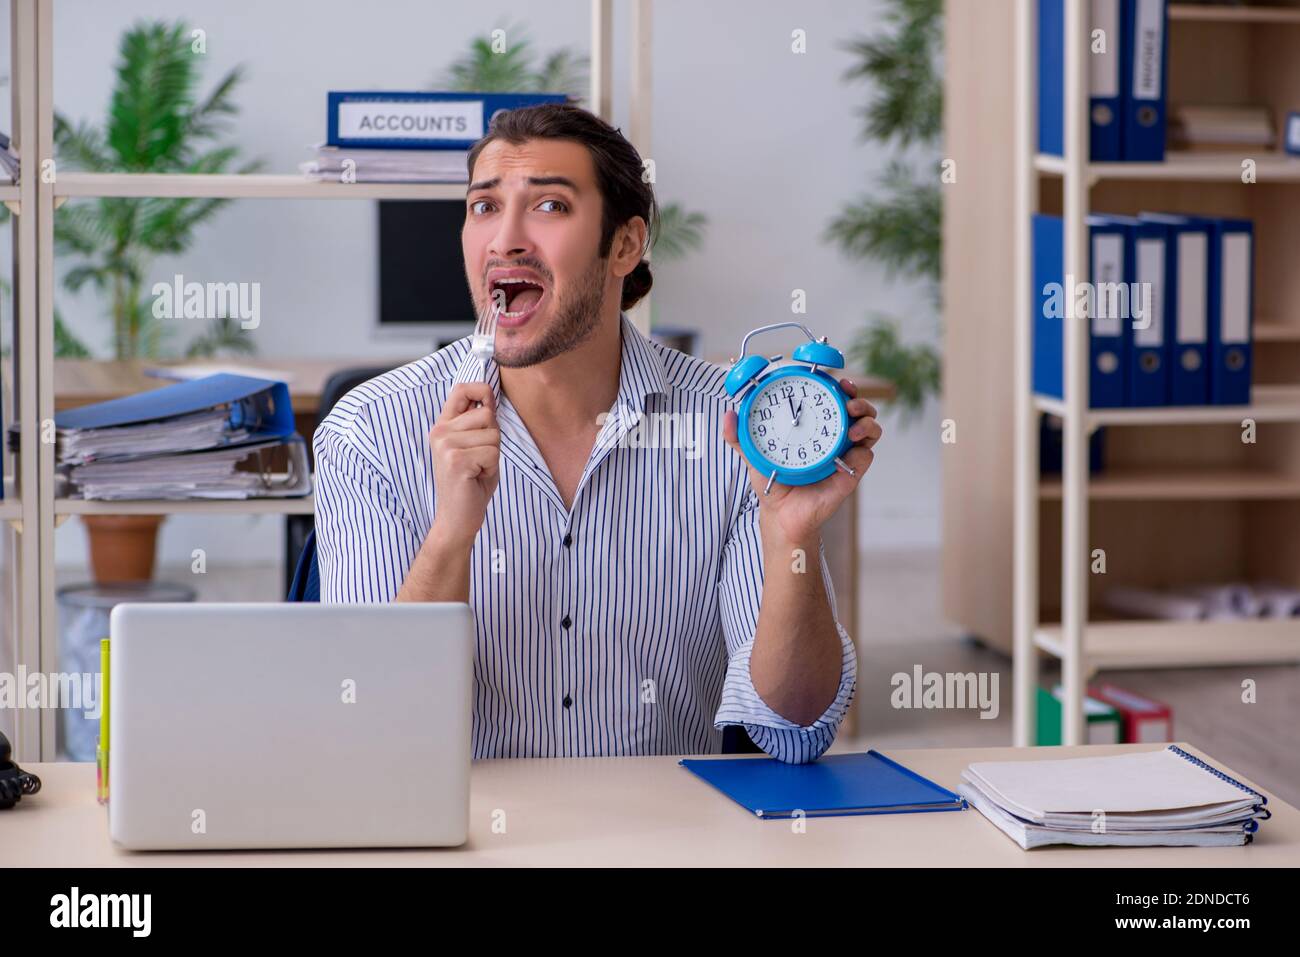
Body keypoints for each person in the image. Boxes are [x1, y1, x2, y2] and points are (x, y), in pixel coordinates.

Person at [314, 103, 882, 763]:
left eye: (550, 206)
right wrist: (451, 536)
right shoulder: (368, 431)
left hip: (663, 835)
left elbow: (795, 731)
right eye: (485, 207)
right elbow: (375, 729)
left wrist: (793, 537)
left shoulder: (732, 429)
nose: (506, 240)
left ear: (625, 245)